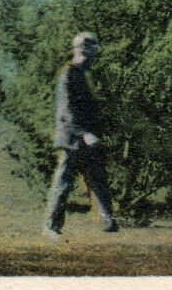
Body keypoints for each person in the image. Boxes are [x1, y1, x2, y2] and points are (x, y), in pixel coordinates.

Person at [44, 32, 118, 241]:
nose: (92, 56)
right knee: (63, 182)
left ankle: (109, 223)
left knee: (97, 179)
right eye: (88, 51)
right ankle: (51, 226)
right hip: (72, 138)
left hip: (85, 137)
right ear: (79, 50)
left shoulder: (82, 74)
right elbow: (66, 111)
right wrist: (84, 133)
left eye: (93, 51)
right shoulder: (68, 74)